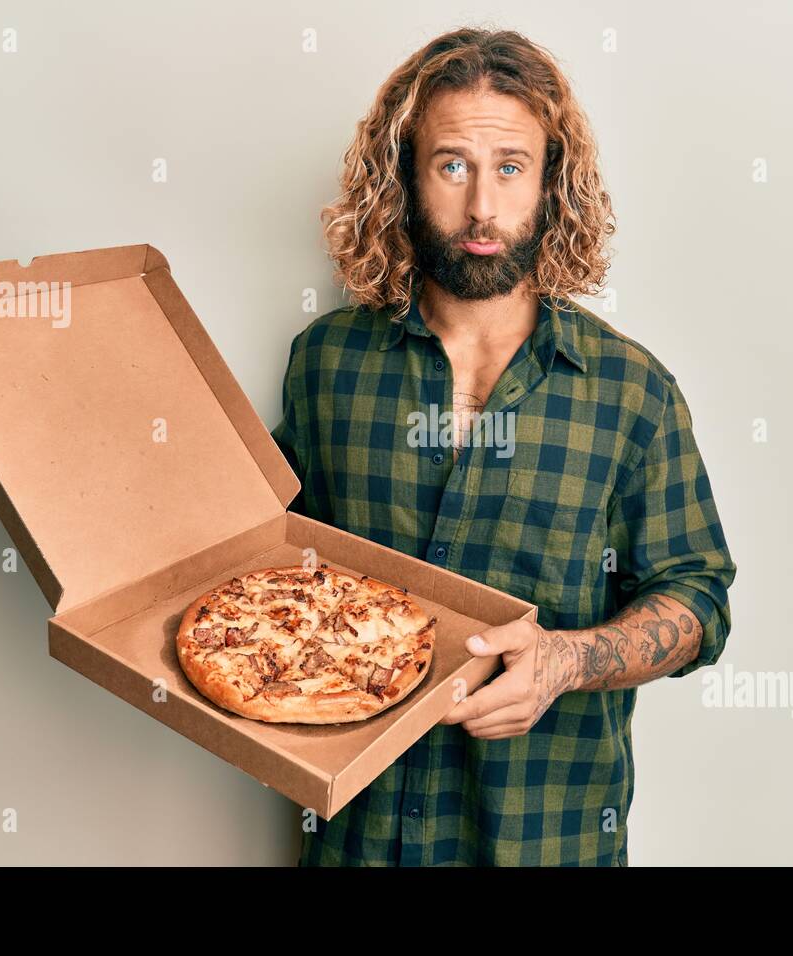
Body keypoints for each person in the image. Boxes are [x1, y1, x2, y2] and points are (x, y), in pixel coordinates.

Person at [271, 27, 736, 866]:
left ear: (552, 184)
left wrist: (566, 658)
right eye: (452, 165)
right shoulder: (325, 365)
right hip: (356, 843)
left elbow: (698, 599)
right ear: (403, 179)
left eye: (511, 168)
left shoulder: (632, 391)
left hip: (543, 841)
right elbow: (269, 566)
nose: (483, 206)